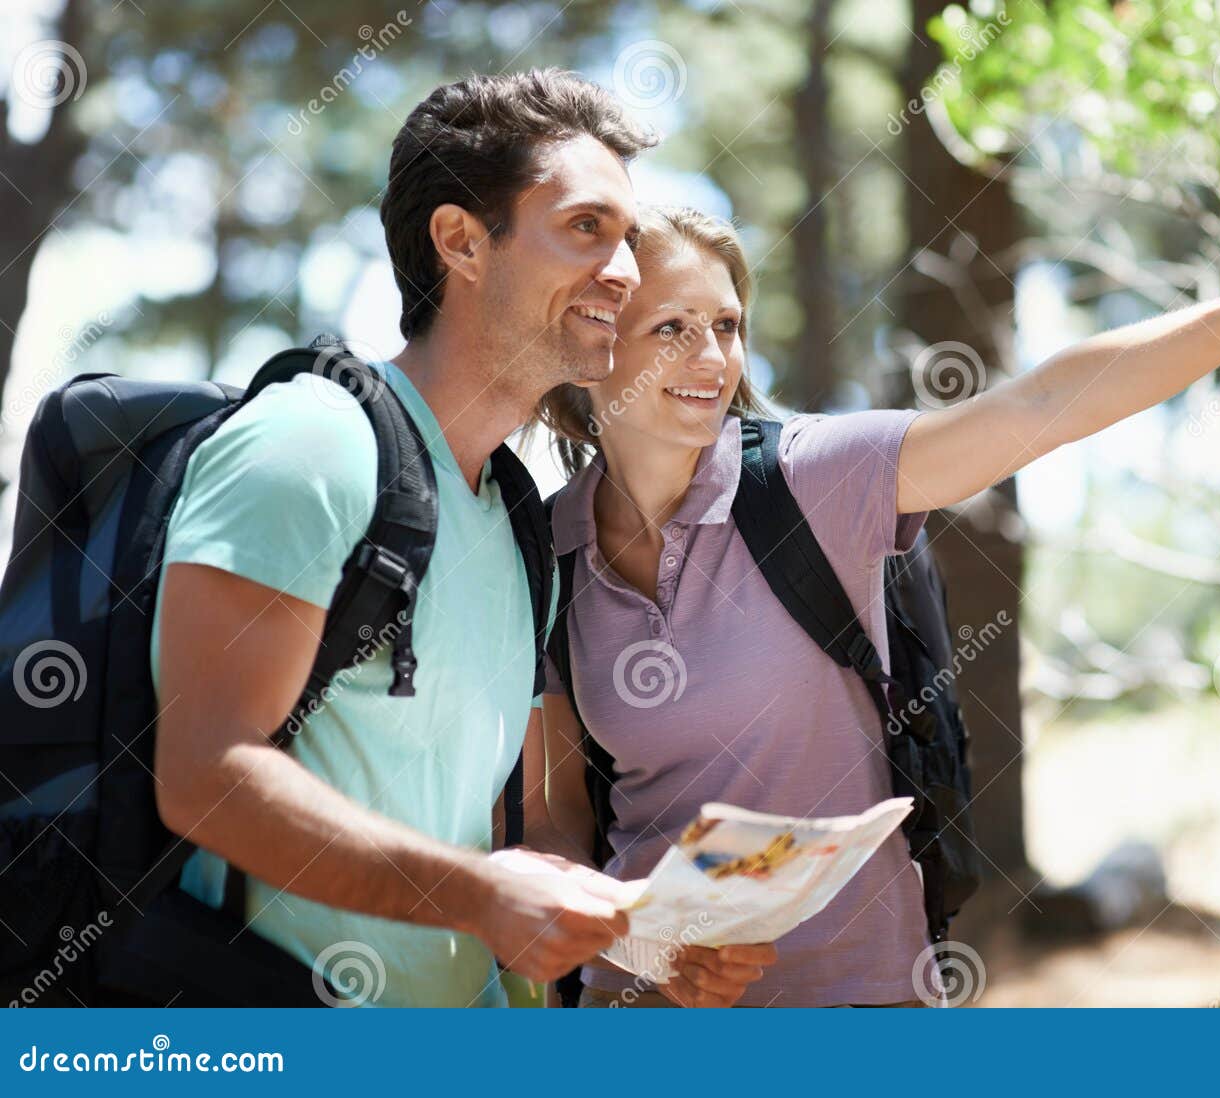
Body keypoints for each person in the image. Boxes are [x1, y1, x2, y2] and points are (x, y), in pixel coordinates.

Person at [531, 202, 1220, 1007]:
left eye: (727, 325)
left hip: (863, 1001)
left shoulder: (814, 478)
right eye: (672, 330)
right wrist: (646, 947)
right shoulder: (547, 550)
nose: (713, 359)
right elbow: (559, 822)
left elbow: (1046, 402)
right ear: (598, 344)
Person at [150, 70, 767, 1007]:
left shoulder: (520, 520)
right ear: (460, 241)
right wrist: (476, 895)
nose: (626, 270)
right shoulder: (310, 445)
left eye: (628, 238)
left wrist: (630, 932)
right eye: (586, 228)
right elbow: (205, 775)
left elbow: (495, 829)